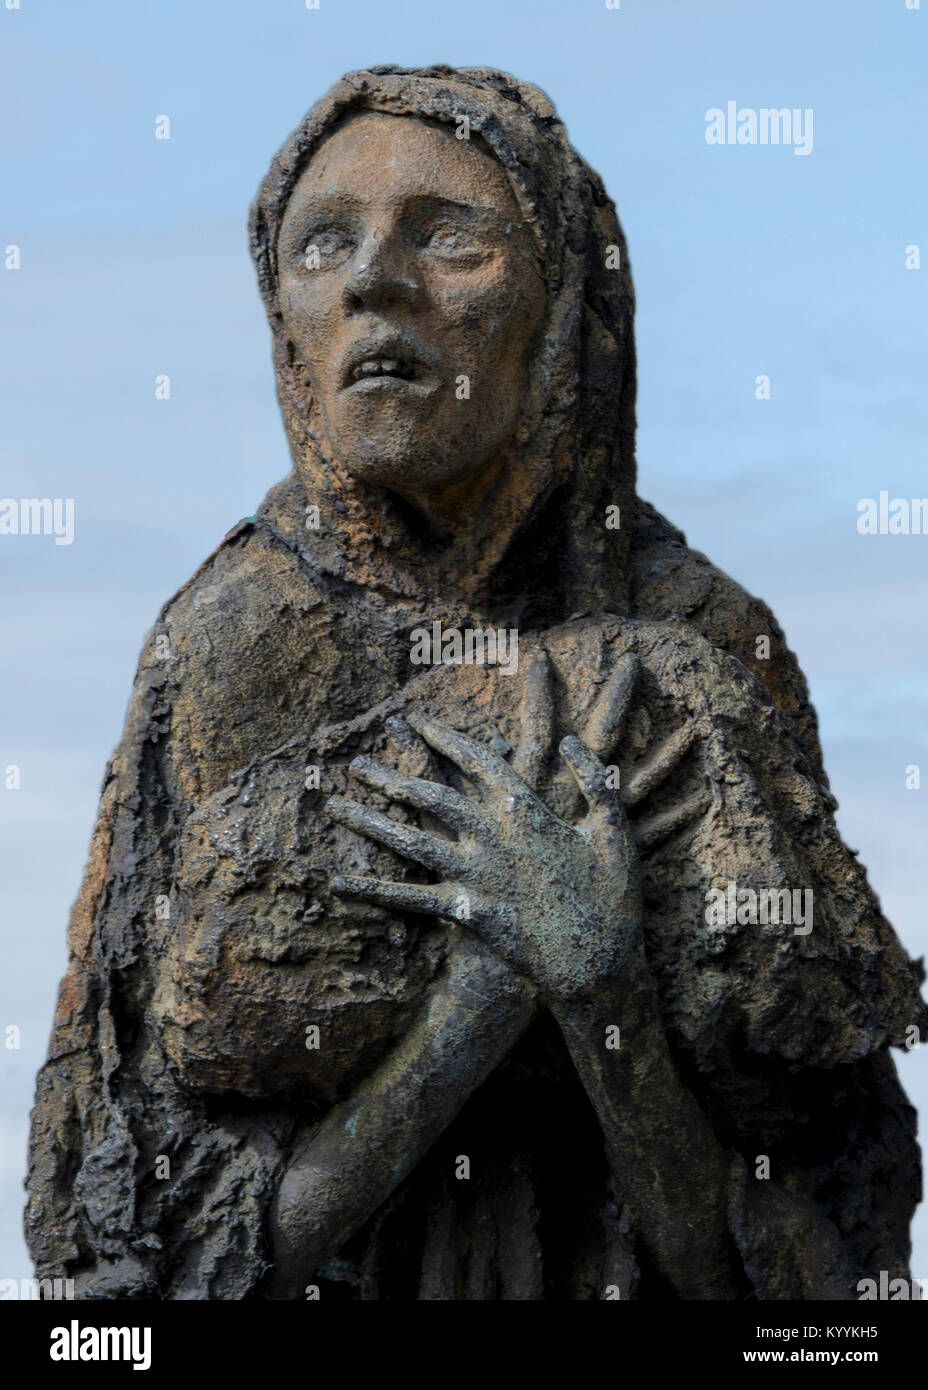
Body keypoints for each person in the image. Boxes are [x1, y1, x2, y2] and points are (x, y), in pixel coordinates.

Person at [26, 66, 927, 1301]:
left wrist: (600, 986)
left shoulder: (700, 645)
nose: (373, 282)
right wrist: (480, 1001)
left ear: (562, 307)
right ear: (282, 325)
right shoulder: (229, 647)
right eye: (322, 243)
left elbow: (817, 1300)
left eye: (448, 237)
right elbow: (127, 1294)